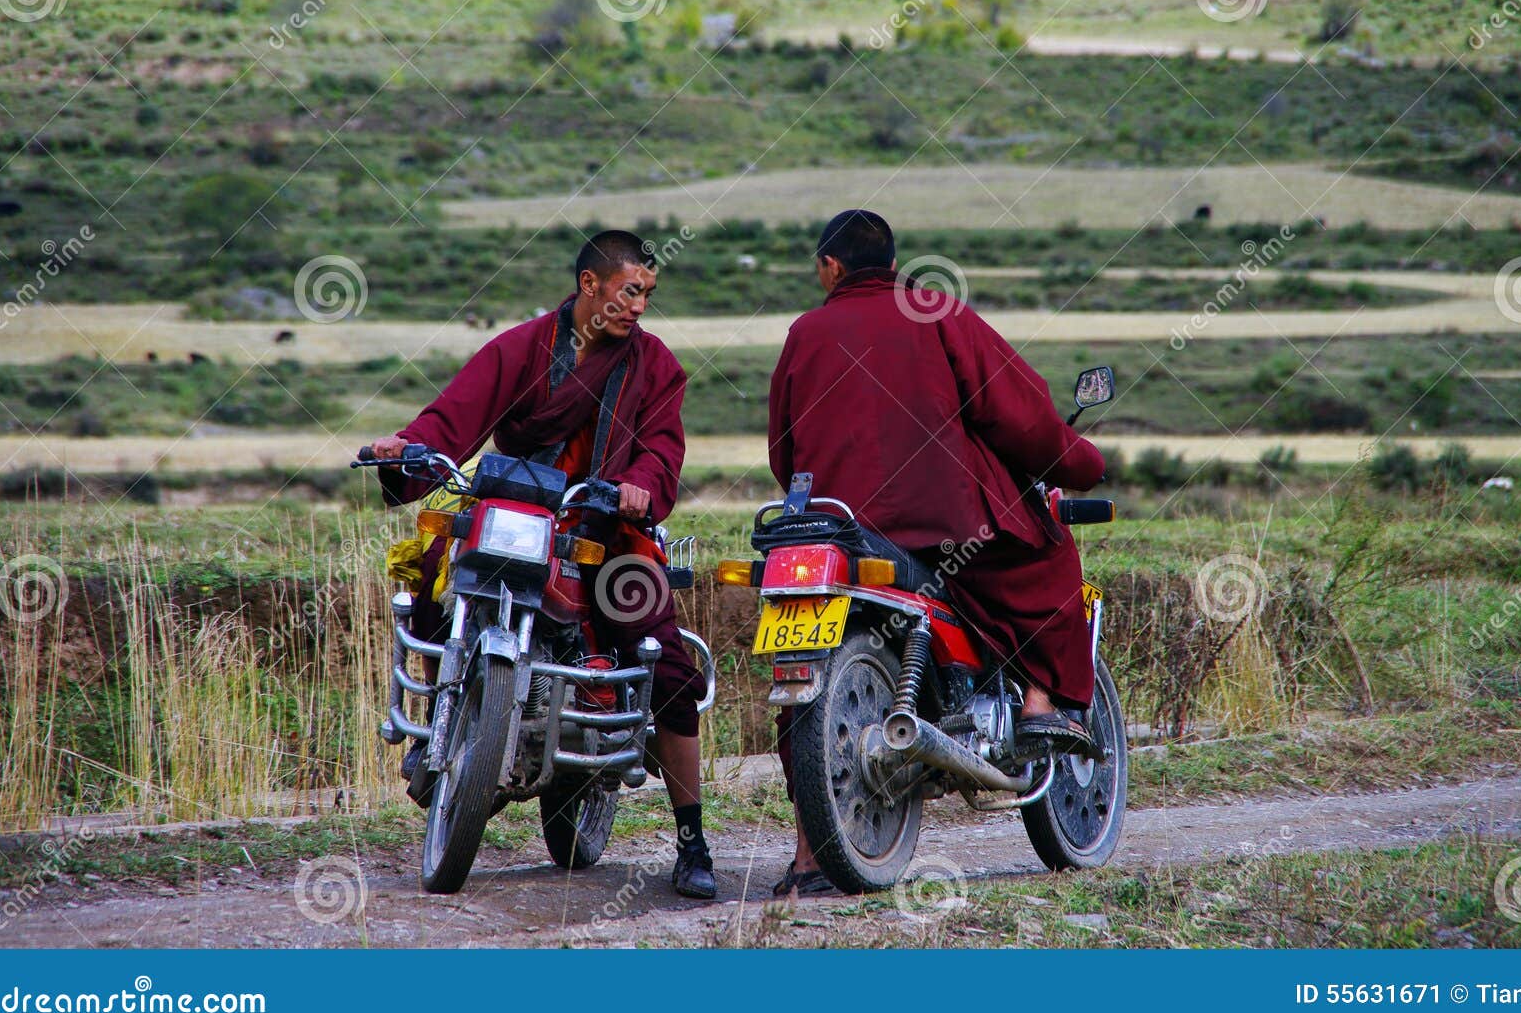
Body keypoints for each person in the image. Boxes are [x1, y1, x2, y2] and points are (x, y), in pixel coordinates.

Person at [365, 230, 716, 900]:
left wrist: (641, 482)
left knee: (665, 662)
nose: (639, 305)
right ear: (590, 285)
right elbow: (454, 416)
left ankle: (692, 836)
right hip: (517, 517)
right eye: (629, 289)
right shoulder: (523, 347)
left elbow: (663, 451)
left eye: (648, 293)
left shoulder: (657, 365)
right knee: (439, 581)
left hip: (605, 527)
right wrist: (407, 447)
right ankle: (441, 728)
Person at [765, 209, 1105, 896]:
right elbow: (1021, 414)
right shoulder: (934, 312)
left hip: (837, 533)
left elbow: (783, 449)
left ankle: (808, 855)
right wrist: (1082, 462)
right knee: (1049, 560)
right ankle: (1039, 703)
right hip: (943, 530)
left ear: (830, 268)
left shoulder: (805, 332)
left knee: (802, 685)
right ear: (891, 263)